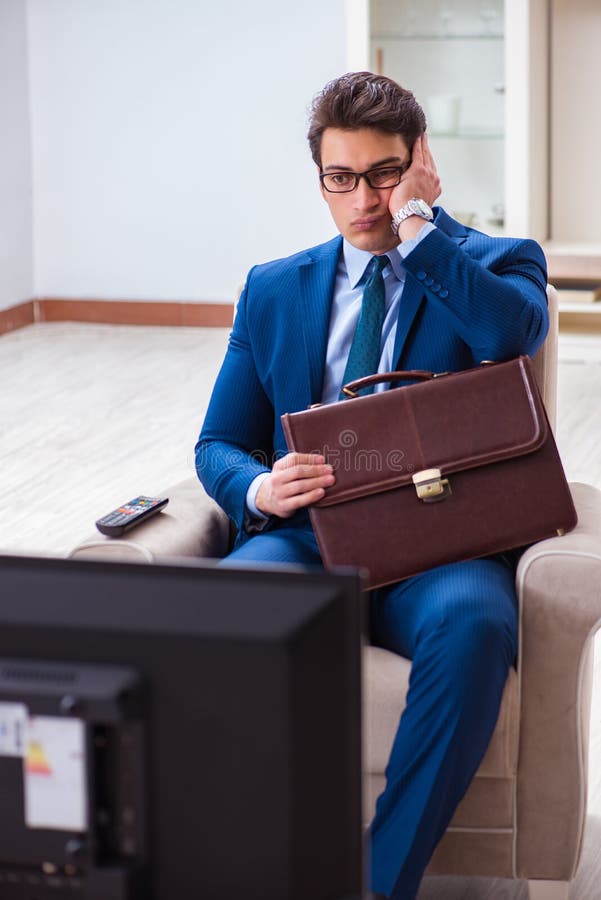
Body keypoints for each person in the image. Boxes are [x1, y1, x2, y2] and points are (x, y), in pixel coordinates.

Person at [195, 71, 548, 899]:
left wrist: (420, 231)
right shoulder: (273, 287)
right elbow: (218, 442)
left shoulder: (496, 263)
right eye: (341, 178)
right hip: (307, 534)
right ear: (318, 178)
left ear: (419, 163)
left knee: (474, 622)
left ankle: (376, 882)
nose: (364, 200)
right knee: (224, 612)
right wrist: (258, 487)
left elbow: (509, 334)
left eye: (384, 174)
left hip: (442, 544)